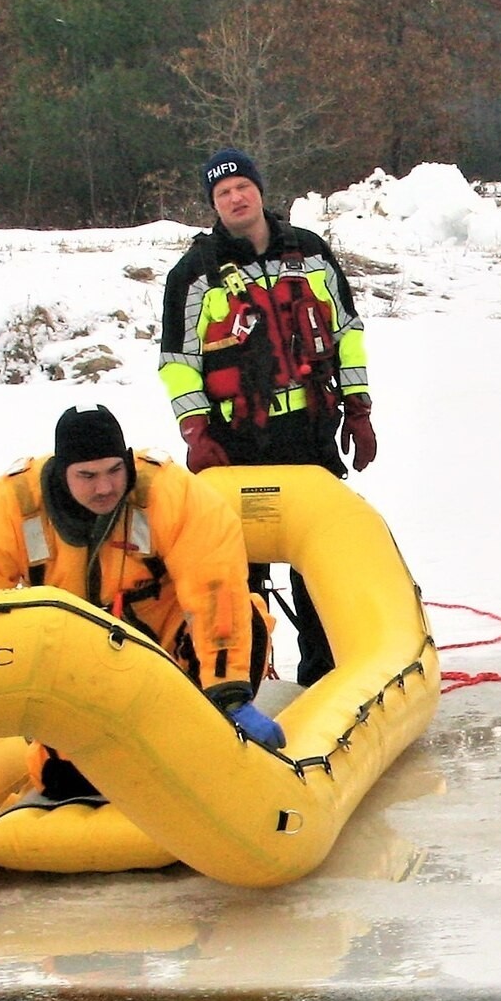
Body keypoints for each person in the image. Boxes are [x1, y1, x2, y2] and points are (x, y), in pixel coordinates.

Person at [0, 405, 285, 796]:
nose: (104, 487)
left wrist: (229, 692)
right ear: (62, 471)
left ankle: (207, 734)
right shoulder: (7, 507)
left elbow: (216, 591)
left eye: (114, 471)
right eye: (87, 476)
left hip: (170, 650)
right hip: (80, 661)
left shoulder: (170, 494)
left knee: (206, 730)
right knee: (63, 781)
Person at [160, 147, 373, 686]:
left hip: (310, 433)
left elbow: (346, 332)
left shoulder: (310, 251)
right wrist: (195, 430)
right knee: (238, 569)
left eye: (242, 187)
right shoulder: (193, 274)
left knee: (315, 561)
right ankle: (238, 680)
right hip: (238, 441)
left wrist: (359, 407)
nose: (235, 197)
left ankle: (325, 677)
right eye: (223, 192)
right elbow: (178, 362)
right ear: (213, 204)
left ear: (259, 190)